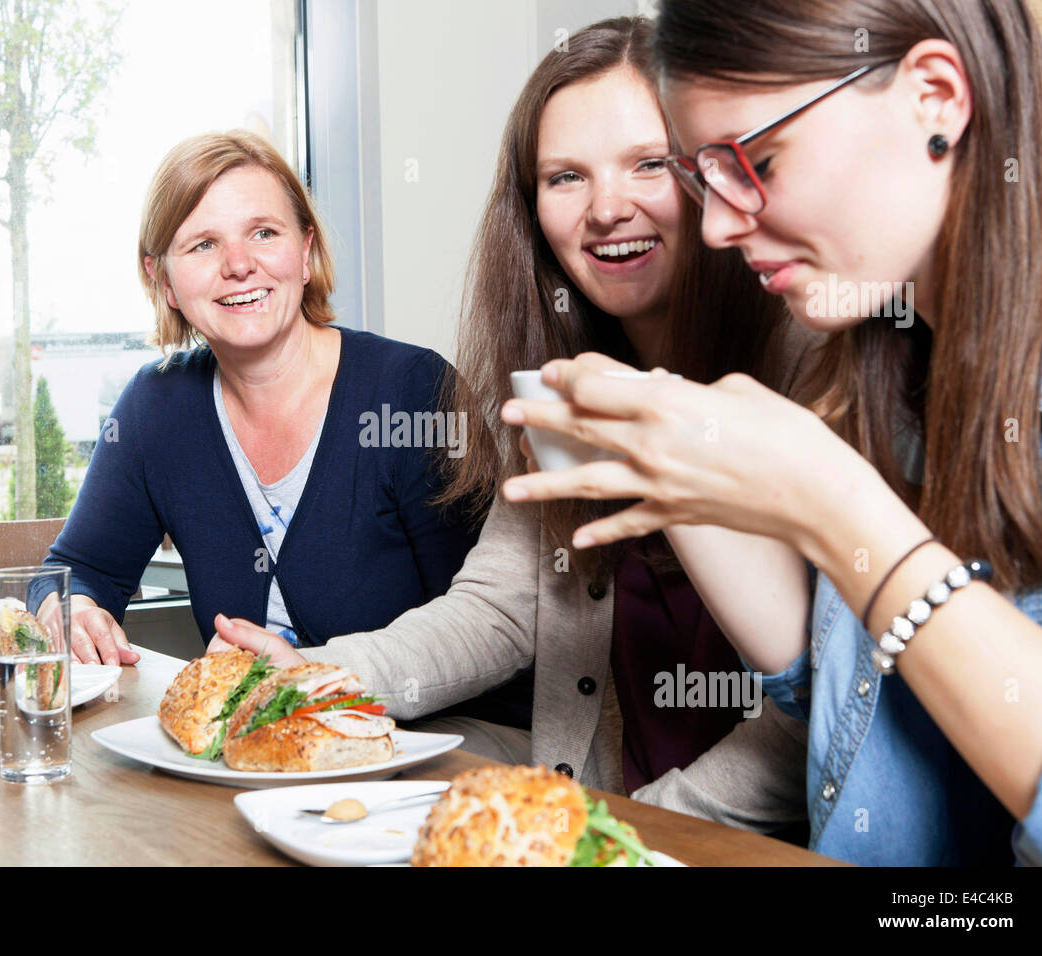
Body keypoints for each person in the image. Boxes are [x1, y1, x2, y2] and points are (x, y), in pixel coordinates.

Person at [210, 16, 818, 834]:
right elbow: (495, 610)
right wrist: (316, 673)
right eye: (566, 176)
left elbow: (822, 705)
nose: (607, 208)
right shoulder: (566, 377)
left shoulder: (813, 363)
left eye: (647, 163)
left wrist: (627, 834)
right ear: (531, 209)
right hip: (605, 804)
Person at [499, 0, 1042, 865]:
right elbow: (841, 714)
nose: (720, 227)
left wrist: (833, 506)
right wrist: (663, 450)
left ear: (936, 99)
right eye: (703, 176)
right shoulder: (888, 352)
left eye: (755, 161)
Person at [29, 132, 480, 680]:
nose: (239, 265)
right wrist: (70, 608)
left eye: (263, 233)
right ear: (164, 281)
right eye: (203, 245)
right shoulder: (157, 407)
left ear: (306, 253)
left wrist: (320, 679)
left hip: (414, 744)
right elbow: (75, 571)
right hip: (242, 752)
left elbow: (482, 624)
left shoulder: (413, 393)